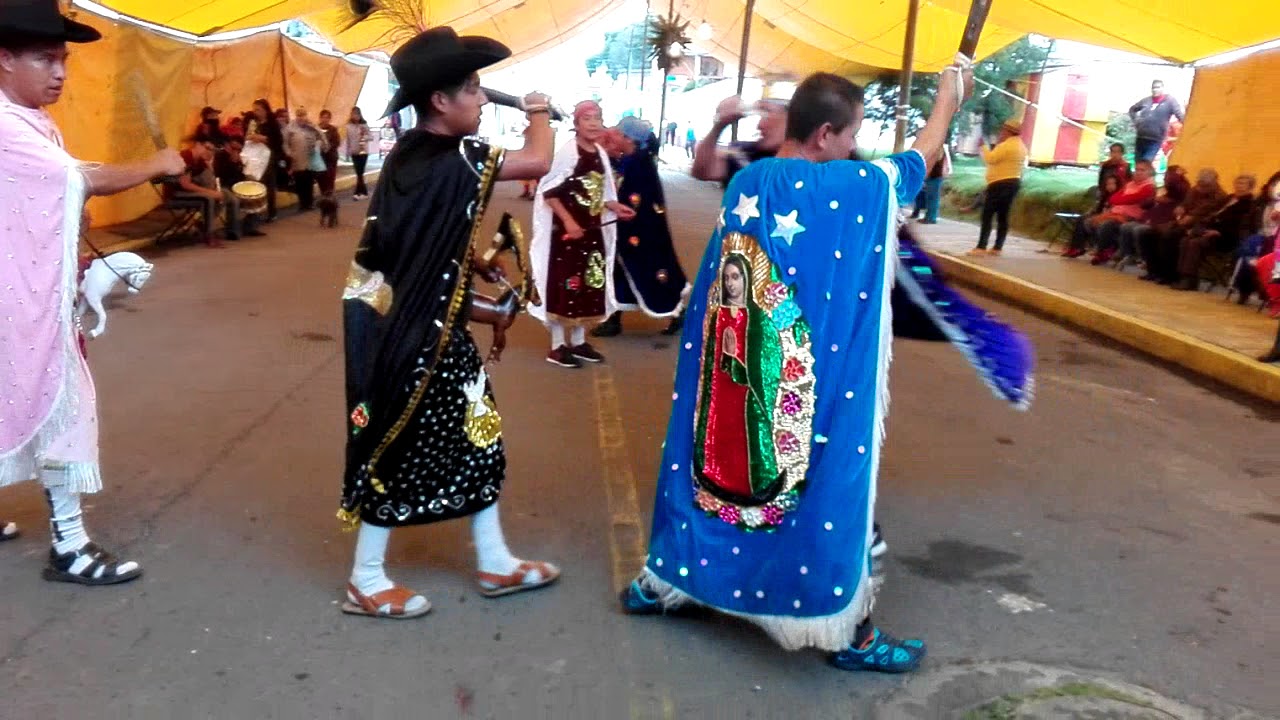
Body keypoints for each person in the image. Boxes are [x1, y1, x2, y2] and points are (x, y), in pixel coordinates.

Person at [621, 64, 1035, 674]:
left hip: (733, 382)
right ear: (823, 136)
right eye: (851, 135)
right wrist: (948, 98)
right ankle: (851, 634)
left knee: (717, 482)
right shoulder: (848, 187)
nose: (854, 147)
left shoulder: (750, 182)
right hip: (790, 389)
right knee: (827, 486)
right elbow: (918, 158)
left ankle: (667, 583)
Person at [340, 26, 559, 618]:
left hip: (421, 334)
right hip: (418, 341)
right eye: (472, 88)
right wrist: (538, 109)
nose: (483, 100)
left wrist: (477, 277)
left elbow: (427, 252)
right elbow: (539, 158)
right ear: (439, 100)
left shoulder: (413, 156)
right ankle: (365, 577)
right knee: (400, 450)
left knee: (479, 441)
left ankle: (494, 559)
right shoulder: (459, 158)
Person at [0, 0, 186, 584]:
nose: (59, 73)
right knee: (65, 407)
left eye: (63, 60)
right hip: (22, 304)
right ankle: (70, 548)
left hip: (24, 291)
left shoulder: (31, 120)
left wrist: (73, 263)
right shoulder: (6, 125)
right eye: (44, 59)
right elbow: (79, 179)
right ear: (4, 59)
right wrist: (155, 162)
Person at [529, 100, 636, 368]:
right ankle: (557, 346)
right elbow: (549, 191)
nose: (593, 123)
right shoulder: (568, 151)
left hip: (591, 234)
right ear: (576, 124)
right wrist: (568, 222)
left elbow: (601, 191)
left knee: (590, 285)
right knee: (564, 286)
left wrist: (615, 206)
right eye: (587, 118)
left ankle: (578, 342)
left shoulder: (599, 152)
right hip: (566, 238)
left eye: (597, 118)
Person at [592, 116, 689, 338]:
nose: (612, 135)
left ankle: (675, 312)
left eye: (617, 133)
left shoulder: (639, 165)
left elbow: (637, 201)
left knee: (645, 271)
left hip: (639, 232)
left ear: (628, 139)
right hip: (630, 230)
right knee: (624, 272)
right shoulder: (633, 160)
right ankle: (614, 318)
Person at [691, 96, 787, 187]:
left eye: (767, 115)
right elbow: (702, 171)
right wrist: (720, 125)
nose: (759, 125)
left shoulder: (800, 168)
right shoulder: (744, 154)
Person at [969, 120, 1026, 256]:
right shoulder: (1021, 146)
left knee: (987, 215)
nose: (1001, 133)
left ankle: (981, 246)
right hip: (1013, 183)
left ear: (1008, 131)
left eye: (1003, 130)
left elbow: (991, 159)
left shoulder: (1006, 146)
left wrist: (983, 147)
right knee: (1003, 216)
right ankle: (997, 247)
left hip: (999, 184)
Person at [245, 98, 284, 221]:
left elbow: (278, 141)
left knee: (269, 185)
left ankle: (271, 212)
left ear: (266, 110)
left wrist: (262, 138)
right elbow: (247, 136)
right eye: (254, 110)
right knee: (256, 183)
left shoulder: (272, 124)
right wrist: (251, 137)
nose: (256, 112)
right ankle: (256, 212)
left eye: (258, 110)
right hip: (255, 157)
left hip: (269, 157)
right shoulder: (253, 123)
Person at [1128, 80, 1184, 163]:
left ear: (1162, 88)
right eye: (1153, 87)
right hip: (1141, 137)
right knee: (1138, 163)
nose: (1155, 90)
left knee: (1146, 163)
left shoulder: (1170, 101)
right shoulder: (1146, 100)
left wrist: (1188, 127)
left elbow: (1179, 115)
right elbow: (1132, 109)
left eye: (1158, 87)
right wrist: (1136, 120)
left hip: (1156, 138)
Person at [344, 106, 372, 199]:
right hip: (354, 152)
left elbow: (371, 137)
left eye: (357, 114)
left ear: (360, 115)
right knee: (358, 172)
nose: (355, 116)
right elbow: (348, 139)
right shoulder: (348, 126)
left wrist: (364, 137)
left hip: (363, 152)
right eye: (353, 114)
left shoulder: (364, 125)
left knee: (360, 172)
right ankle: (363, 193)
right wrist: (347, 152)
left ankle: (358, 192)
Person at [316, 109, 341, 198]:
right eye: (323, 117)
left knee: (330, 178)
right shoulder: (316, 129)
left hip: (331, 158)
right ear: (320, 118)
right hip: (319, 158)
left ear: (330, 119)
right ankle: (324, 195)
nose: (325, 119)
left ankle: (330, 196)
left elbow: (337, 142)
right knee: (321, 178)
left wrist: (328, 147)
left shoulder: (333, 130)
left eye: (327, 117)